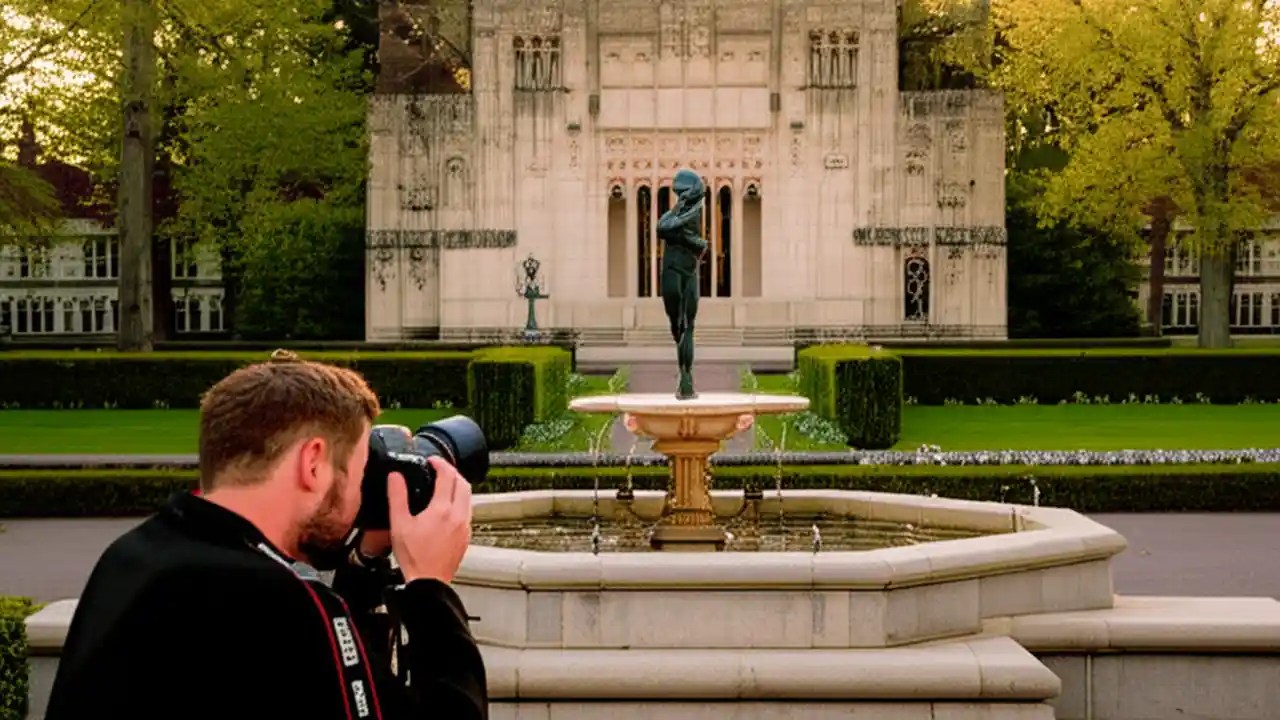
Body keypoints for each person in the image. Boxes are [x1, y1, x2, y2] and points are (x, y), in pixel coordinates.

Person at [44, 352, 488, 720]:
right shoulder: (280, 602)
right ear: (313, 463)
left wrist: (366, 560)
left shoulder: (135, 557)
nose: (359, 499)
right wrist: (431, 589)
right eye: (357, 474)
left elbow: (347, 684)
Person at [656, 168, 708, 400]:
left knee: (689, 326)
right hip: (672, 271)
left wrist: (683, 237)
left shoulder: (697, 213)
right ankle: (683, 372)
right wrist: (680, 217)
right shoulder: (675, 214)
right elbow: (661, 228)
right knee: (677, 326)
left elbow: (700, 245)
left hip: (689, 274)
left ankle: (686, 376)